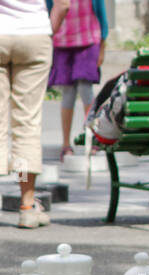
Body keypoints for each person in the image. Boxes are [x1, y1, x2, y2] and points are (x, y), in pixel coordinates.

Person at [0, 0, 66, 229]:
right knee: (26, 123)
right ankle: (27, 206)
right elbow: (64, 4)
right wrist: (46, 30)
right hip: (33, 34)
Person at [47, 0, 107, 161]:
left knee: (85, 89)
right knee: (68, 93)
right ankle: (66, 144)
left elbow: (101, 14)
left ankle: (93, 138)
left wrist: (102, 46)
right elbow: (48, 10)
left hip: (88, 41)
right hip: (62, 42)